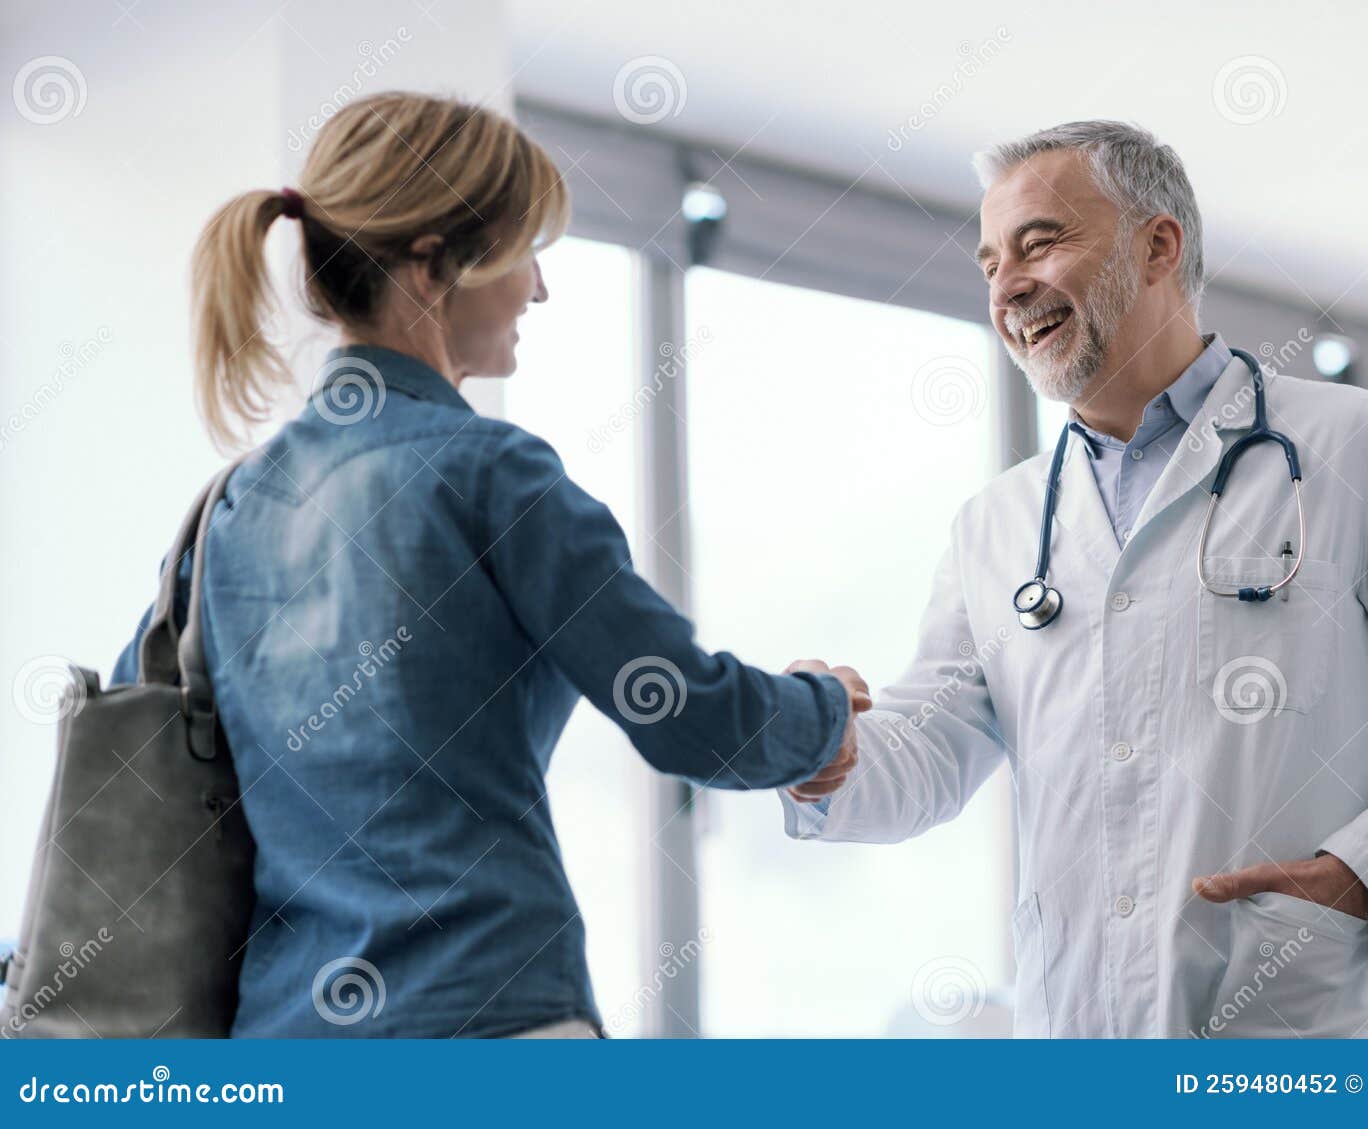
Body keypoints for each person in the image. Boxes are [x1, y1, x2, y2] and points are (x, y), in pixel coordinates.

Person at [780, 121, 1368, 1037]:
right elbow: (930, 752)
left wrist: (1362, 874)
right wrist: (821, 748)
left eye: (1040, 242)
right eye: (989, 261)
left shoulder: (1361, 446)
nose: (1005, 287)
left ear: (1158, 246)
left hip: (1287, 1029)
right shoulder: (996, 525)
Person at [110, 91, 866, 1038]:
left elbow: (129, 777)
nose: (538, 289)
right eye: (523, 254)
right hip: (486, 1016)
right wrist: (821, 709)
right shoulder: (491, 472)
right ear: (433, 264)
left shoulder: (226, 512)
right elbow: (686, 716)